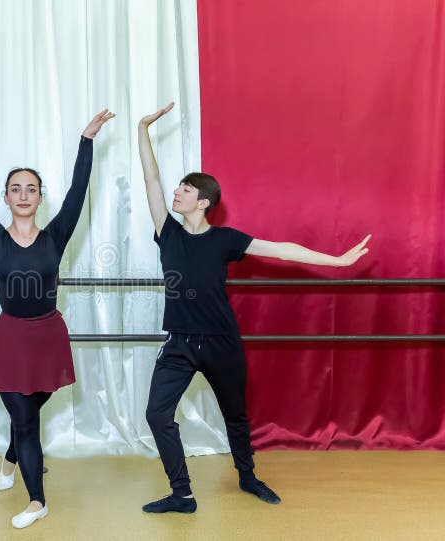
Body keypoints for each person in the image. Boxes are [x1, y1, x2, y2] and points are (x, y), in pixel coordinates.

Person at [137, 102, 370, 513]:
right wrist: (142, 128)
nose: (175, 192)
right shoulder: (167, 231)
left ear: (203, 201)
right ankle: (182, 493)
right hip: (179, 343)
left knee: (235, 415)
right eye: (178, 188)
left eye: (185, 189)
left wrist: (336, 260)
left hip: (221, 341)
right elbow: (151, 179)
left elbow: (281, 249)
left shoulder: (225, 239)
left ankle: (247, 477)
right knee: (157, 414)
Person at [0, 104, 113, 528]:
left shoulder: (56, 236)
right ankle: (37, 501)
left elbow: (78, 191)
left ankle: (11, 456)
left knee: (28, 413)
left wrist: (87, 141)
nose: (24, 195)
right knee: (26, 420)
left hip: (49, 337)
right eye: (16, 189)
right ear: (6, 197)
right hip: (11, 340)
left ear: (39, 197)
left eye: (31, 188)